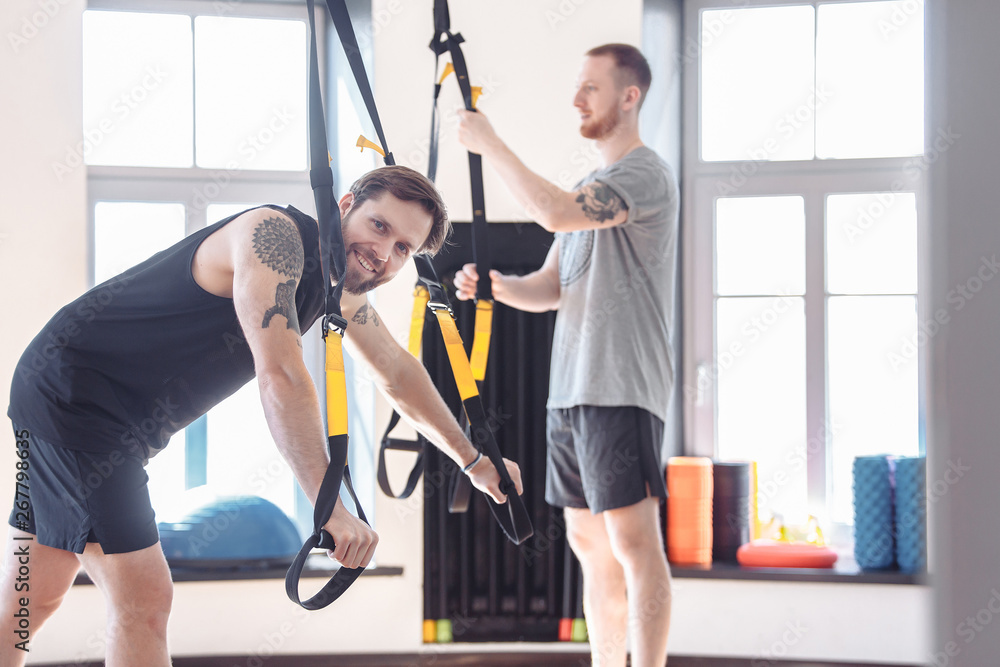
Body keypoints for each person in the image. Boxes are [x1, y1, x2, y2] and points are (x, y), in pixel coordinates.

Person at [0, 165, 522, 666]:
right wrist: (329, 507)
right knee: (144, 600)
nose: (381, 252)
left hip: (76, 403)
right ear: (345, 206)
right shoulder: (274, 236)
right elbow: (283, 376)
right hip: (78, 400)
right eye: (378, 225)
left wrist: (473, 458)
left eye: (402, 247)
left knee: (34, 597)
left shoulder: (337, 283)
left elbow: (396, 371)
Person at [454, 44, 677, 667]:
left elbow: (549, 211)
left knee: (635, 544)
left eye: (591, 88)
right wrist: (496, 286)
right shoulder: (590, 187)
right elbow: (552, 288)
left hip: (620, 388)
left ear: (629, 97)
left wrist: (489, 142)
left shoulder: (644, 175)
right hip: (570, 394)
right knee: (587, 541)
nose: (576, 99)